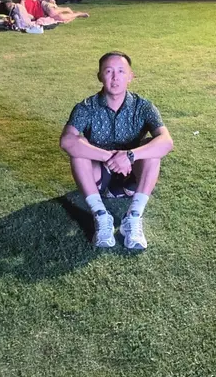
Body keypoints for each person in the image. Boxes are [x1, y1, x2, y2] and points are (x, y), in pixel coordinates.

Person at [60, 51, 173, 250]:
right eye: (108, 71)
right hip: (99, 178)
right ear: (99, 76)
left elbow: (166, 142)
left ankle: (134, 217)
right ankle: (101, 216)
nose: (115, 77)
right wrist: (109, 157)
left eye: (121, 71)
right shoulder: (86, 107)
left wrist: (130, 156)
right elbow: (67, 141)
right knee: (78, 147)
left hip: (131, 177)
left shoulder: (143, 106)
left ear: (131, 76)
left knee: (153, 148)